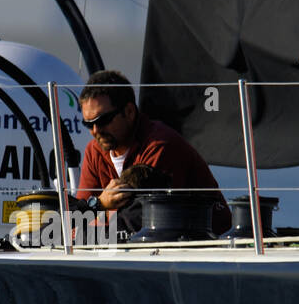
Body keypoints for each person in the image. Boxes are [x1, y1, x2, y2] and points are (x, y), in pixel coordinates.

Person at [76, 69, 230, 234]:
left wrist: (93, 216)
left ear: (129, 112)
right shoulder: (93, 151)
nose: (95, 130)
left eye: (103, 120)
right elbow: (76, 222)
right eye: (88, 124)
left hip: (206, 246)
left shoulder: (160, 145)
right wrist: (100, 204)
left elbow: (137, 223)